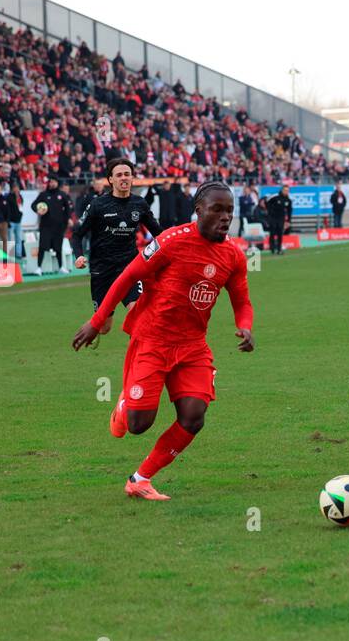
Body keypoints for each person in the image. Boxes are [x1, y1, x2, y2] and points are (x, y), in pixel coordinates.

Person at [70, 182, 255, 501]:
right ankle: (127, 401)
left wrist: (245, 326)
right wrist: (97, 320)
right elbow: (127, 276)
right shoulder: (170, 241)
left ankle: (140, 479)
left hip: (193, 346)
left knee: (194, 417)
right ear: (199, 210)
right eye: (217, 209)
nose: (225, 217)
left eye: (229, 211)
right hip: (153, 340)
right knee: (139, 424)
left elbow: (242, 299)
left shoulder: (234, 256)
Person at [72, 158, 163, 338]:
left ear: (132, 178)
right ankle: (95, 326)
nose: (124, 178)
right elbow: (77, 234)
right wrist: (79, 256)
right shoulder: (98, 205)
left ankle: (142, 353)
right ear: (111, 180)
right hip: (102, 269)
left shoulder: (139, 204)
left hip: (130, 267)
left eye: (127, 174)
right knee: (104, 327)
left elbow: (159, 234)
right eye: (119, 175)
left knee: (137, 310)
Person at [34, 177, 73, 274]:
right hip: (45, 226)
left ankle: (61, 267)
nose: (52, 183)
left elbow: (68, 209)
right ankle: (39, 268)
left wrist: (66, 220)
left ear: (57, 183)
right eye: (50, 182)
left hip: (59, 227)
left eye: (54, 182)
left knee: (58, 248)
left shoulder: (62, 195)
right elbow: (33, 205)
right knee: (42, 247)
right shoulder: (43, 195)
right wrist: (38, 210)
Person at [266, 184, 292, 254]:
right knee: (272, 233)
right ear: (282, 190)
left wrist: (288, 221)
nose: (286, 192)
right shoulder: (275, 196)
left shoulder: (288, 200)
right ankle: (272, 249)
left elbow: (289, 211)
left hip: (281, 219)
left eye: (287, 191)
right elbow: (267, 201)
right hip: (273, 218)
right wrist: (269, 212)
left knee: (280, 233)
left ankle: (279, 248)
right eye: (285, 190)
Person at [7, 185, 24, 259]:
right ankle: (10, 254)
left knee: (18, 238)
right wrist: (8, 220)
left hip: (18, 221)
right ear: (13, 189)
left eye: (18, 188)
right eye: (15, 188)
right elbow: (8, 209)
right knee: (10, 238)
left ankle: (18, 254)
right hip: (11, 221)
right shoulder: (9, 197)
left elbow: (21, 208)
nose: (17, 189)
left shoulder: (20, 197)